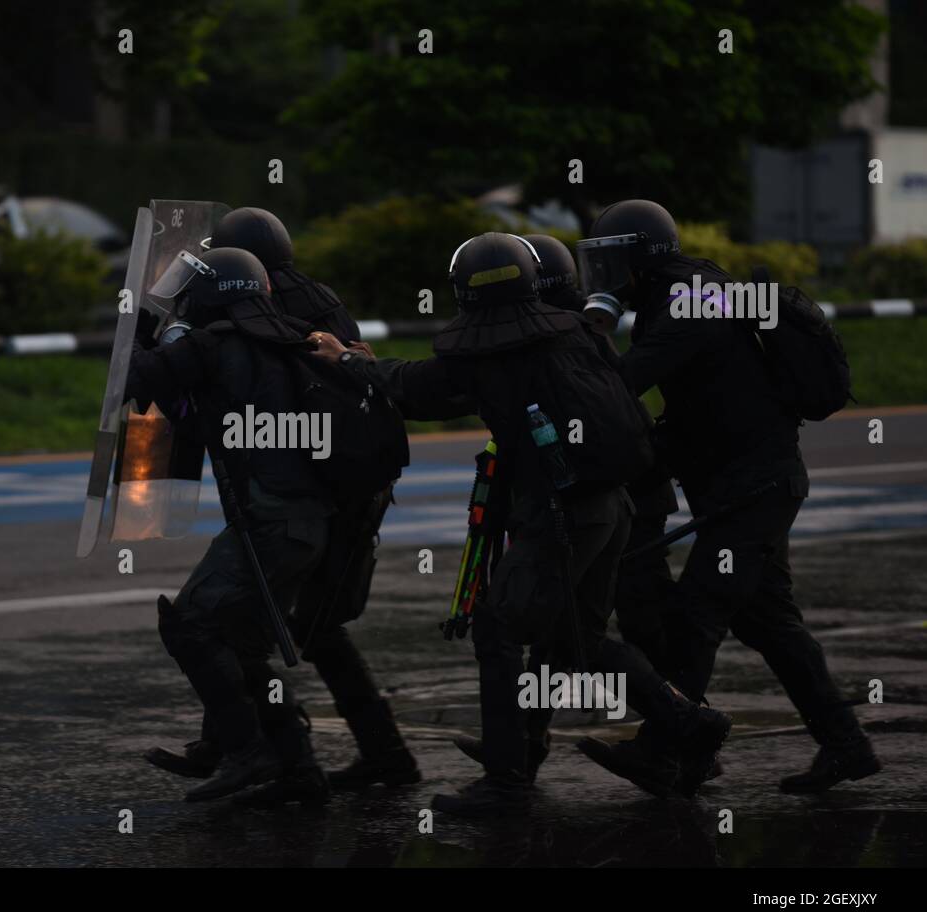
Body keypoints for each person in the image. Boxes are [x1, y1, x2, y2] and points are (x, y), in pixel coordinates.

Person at [309, 232, 732, 816]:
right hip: (613, 507)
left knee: (498, 632)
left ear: (463, 289)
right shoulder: (575, 330)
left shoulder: (489, 349)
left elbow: (416, 389)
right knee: (578, 641)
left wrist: (350, 361)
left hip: (559, 517)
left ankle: (507, 783)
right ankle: (688, 720)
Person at [573, 199, 880, 794]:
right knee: (769, 623)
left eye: (609, 265)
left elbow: (620, 385)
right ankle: (846, 746)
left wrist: (592, 326)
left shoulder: (688, 303)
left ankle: (666, 752)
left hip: (754, 489)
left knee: (697, 616)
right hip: (746, 485)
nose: (603, 279)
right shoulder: (690, 289)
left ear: (637, 259)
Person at [145, 207, 420, 791]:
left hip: (317, 494)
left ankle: (353, 755)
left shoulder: (257, 316)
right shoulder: (315, 299)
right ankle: (265, 756)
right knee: (255, 624)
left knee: (294, 626)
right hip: (339, 487)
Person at [125, 245, 333, 805]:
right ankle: (299, 770)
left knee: (189, 626)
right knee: (243, 646)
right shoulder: (293, 340)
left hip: (267, 525)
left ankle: (248, 753)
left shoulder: (215, 345)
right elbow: (199, 416)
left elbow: (132, 374)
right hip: (309, 527)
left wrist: (145, 319)